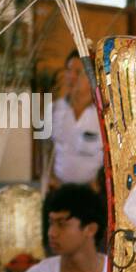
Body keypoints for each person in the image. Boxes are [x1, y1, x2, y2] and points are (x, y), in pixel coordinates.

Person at [46, 50, 104, 191]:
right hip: (59, 190)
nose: (71, 77)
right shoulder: (54, 109)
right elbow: (47, 149)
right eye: (68, 70)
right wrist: (51, 179)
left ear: (92, 78)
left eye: (78, 72)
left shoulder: (103, 113)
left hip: (92, 193)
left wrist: (99, 185)